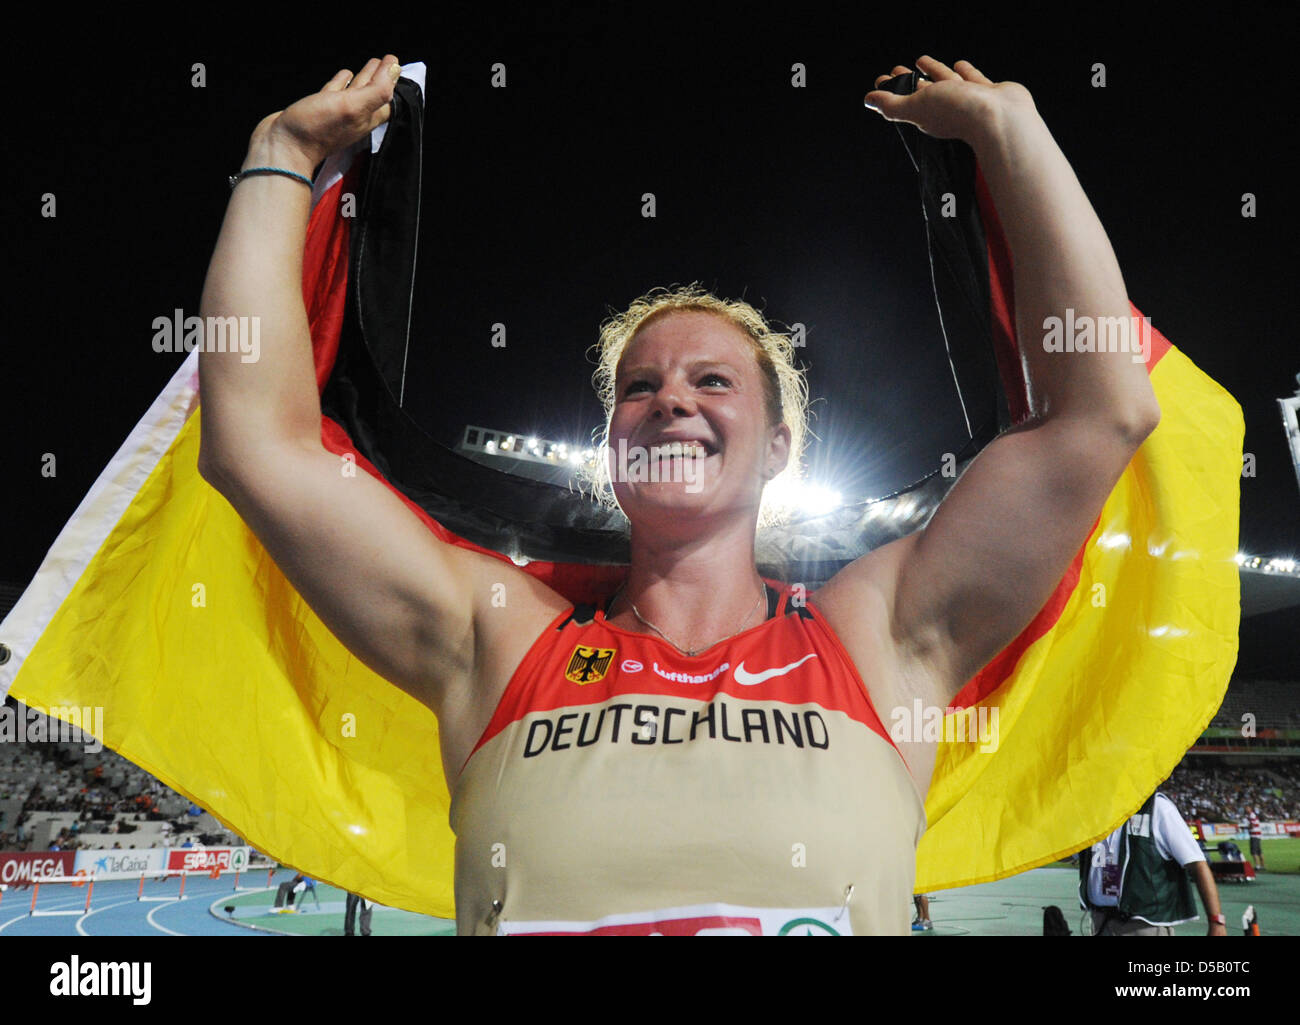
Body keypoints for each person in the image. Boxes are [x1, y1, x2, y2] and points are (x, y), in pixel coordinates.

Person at [197, 54, 1160, 935]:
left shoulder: (879, 637)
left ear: (781, 445)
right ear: (611, 444)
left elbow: (1100, 411)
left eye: (713, 382)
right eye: (640, 387)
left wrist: (1013, 133)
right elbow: (258, 446)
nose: (669, 405)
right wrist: (278, 155)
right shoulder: (496, 636)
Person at [1078, 792, 1227, 936]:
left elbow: (1197, 863)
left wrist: (1216, 923)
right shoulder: (1094, 811)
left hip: (1144, 926)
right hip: (1100, 922)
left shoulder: (1158, 807)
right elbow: (1067, 855)